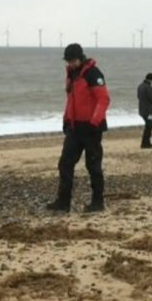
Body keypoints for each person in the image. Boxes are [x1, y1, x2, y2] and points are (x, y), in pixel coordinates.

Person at [46, 43, 110, 213]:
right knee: (65, 164)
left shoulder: (93, 73)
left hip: (91, 129)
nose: (71, 63)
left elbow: (103, 99)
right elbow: (71, 101)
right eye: (68, 61)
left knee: (93, 166)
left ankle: (98, 202)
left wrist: (94, 122)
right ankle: (63, 201)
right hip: (74, 128)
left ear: (81, 57)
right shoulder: (72, 74)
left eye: (73, 60)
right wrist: (66, 121)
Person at [137, 72, 152, 148]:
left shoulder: (140, 86)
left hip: (142, 110)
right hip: (148, 111)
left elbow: (139, 97)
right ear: (151, 80)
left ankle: (146, 142)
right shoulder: (149, 88)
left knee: (148, 126)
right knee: (149, 126)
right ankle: (145, 143)